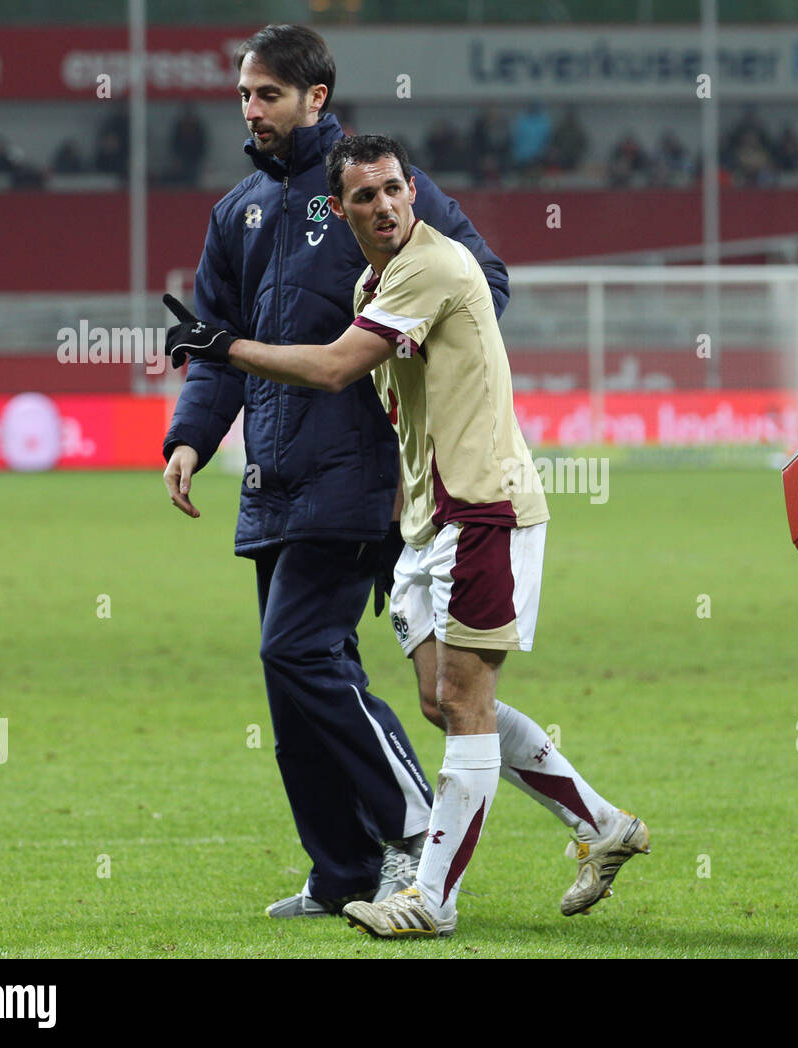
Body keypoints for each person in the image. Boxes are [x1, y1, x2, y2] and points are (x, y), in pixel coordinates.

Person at [163, 133, 650, 939]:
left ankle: (431, 898)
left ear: (413, 192)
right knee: (442, 700)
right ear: (341, 207)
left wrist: (226, 348)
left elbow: (330, 370)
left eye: (394, 189)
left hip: (484, 507)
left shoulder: (434, 263)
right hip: (428, 519)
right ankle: (604, 825)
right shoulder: (371, 280)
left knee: (462, 703)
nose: (384, 205)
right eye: (366, 196)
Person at [161, 24, 510, 919]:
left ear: (316, 97)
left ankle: (413, 824)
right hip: (270, 475)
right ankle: (342, 871)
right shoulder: (237, 210)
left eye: (267, 94)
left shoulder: (375, 187)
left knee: (299, 648)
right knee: (292, 685)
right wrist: (191, 439)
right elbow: (215, 345)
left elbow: (483, 281)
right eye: (244, 93)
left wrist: (392, 353)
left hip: (359, 470)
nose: (251, 109)